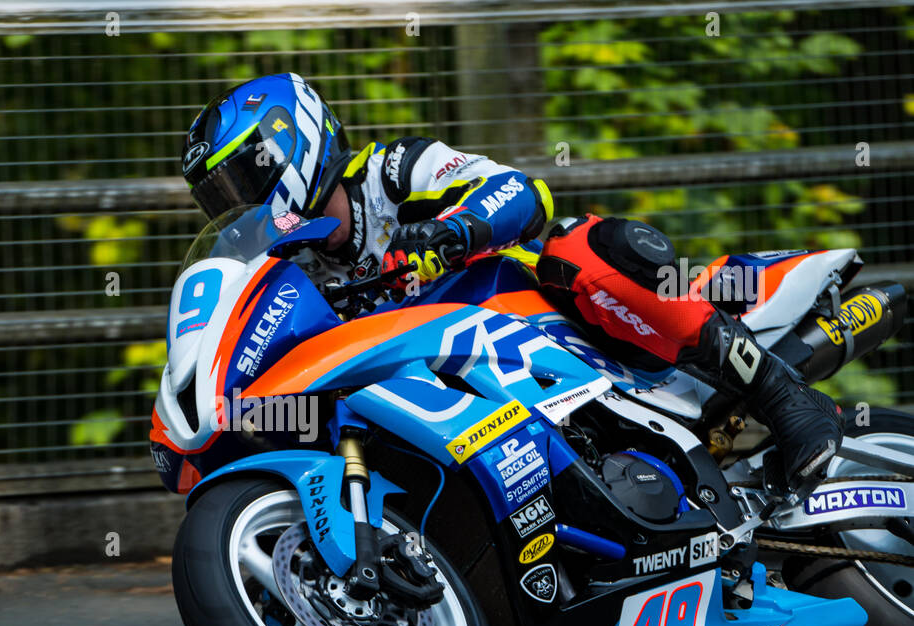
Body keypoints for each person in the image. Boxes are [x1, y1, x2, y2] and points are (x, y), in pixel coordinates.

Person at [180, 73, 842, 491]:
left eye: (241, 179)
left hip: (555, 329)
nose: (233, 204)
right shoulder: (290, 274)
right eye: (219, 195)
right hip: (463, 394)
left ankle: (783, 396)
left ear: (288, 145)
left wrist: (455, 230)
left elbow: (526, 193)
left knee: (578, 244)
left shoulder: (391, 173)